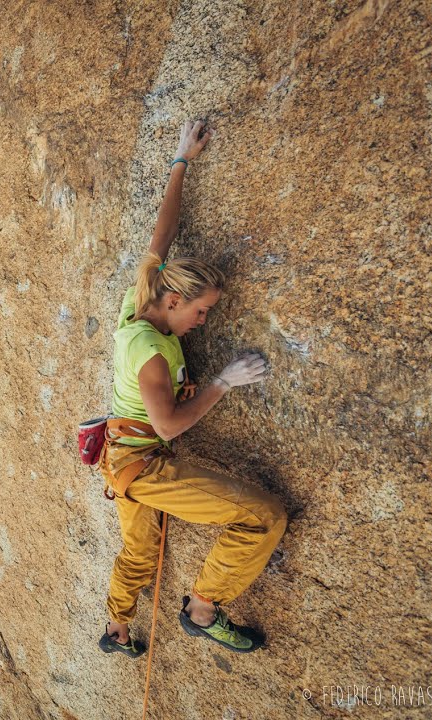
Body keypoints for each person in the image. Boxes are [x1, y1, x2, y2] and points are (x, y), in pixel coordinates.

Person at [97, 119, 288, 657]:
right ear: (175, 302)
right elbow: (168, 425)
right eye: (201, 312)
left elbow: (162, 234)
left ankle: (116, 624)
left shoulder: (140, 304)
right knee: (264, 515)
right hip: (144, 462)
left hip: (121, 458)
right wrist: (225, 381)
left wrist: (182, 160)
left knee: (140, 549)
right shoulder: (153, 352)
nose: (202, 321)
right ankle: (203, 609)